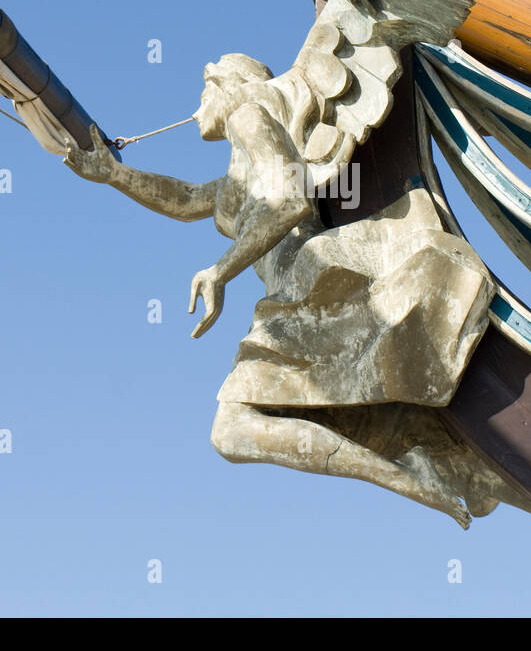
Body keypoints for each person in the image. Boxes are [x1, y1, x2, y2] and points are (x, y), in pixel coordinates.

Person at [66, 53, 506, 527]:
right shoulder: (237, 177)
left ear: (234, 85)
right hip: (291, 297)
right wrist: (115, 175)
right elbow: (186, 198)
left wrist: (221, 270)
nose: (199, 104)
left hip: (310, 285)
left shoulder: (248, 114)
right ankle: (418, 468)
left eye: (205, 89)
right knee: (236, 431)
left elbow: (291, 199)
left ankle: (406, 477)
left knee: (231, 430)